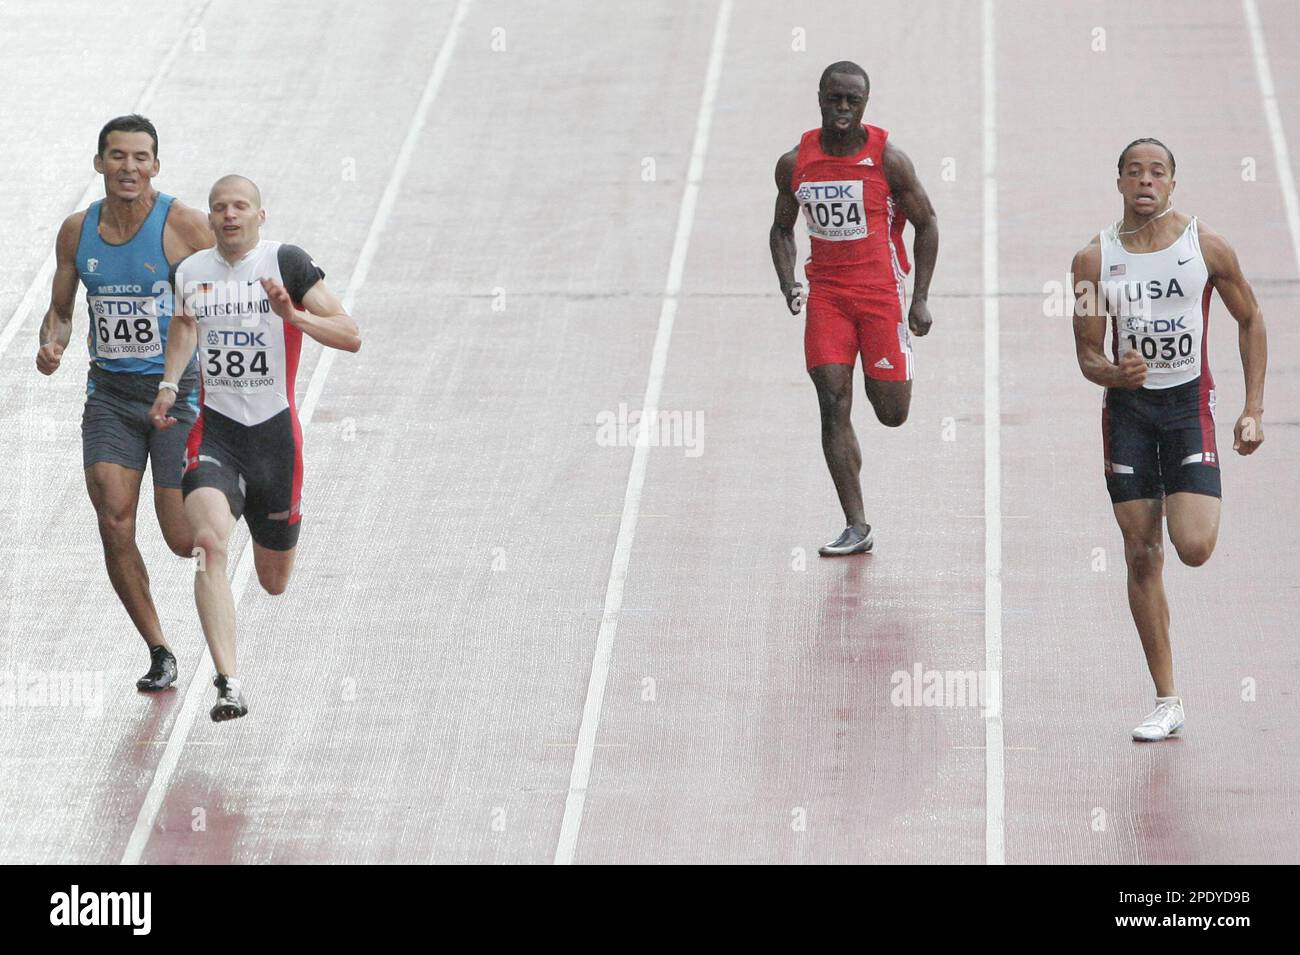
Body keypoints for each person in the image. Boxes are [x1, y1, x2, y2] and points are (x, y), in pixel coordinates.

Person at [1071, 138, 1267, 741]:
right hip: (1128, 414)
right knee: (1140, 552)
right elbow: (1086, 353)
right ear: (1120, 184)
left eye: (1157, 172)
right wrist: (1113, 373)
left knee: (1194, 546)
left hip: (1187, 409)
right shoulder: (1091, 261)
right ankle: (1167, 698)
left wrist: (1252, 408)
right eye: (1135, 173)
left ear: (1173, 184)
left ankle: (1192, 490)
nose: (1146, 181)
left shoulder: (1204, 247)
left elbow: (1251, 319)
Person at [150, 174, 361, 721]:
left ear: (259, 216)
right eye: (219, 207)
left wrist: (295, 317)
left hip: (275, 441)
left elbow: (350, 333)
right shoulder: (191, 272)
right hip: (214, 434)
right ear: (212, 217)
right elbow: (183, 328)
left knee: (273, 582)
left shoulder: (285, 262)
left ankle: (278, 523)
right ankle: (228, 681)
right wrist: (170, 384)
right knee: (207, 543)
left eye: (240, 206)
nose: (228, 215)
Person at [35, 114, 214, 691]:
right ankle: (160, 649)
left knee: (182, 539)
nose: (128, 167)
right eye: (117, 156)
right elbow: (61, 310)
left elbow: (232, 286)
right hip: (109, 395)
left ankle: (239, 499)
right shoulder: (75, 231)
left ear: (156, 166)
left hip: (176, 394)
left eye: (140, 158)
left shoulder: (183, 225)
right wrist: (52, 343)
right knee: (114, 520)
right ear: (99, 164)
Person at [769, 60, 938, 556]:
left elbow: (928, 223)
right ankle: (856, 523)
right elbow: (781, 228)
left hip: (881, 295)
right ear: (820, 97)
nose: (843, 109)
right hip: (827, 298)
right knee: (832, 401)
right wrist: (788, 282)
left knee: (891, 413)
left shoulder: (890, 161)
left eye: (853, 101)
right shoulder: (794, 162)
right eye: (835, 99)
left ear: (865, 103)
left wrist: (921, 297)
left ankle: (889, 368)